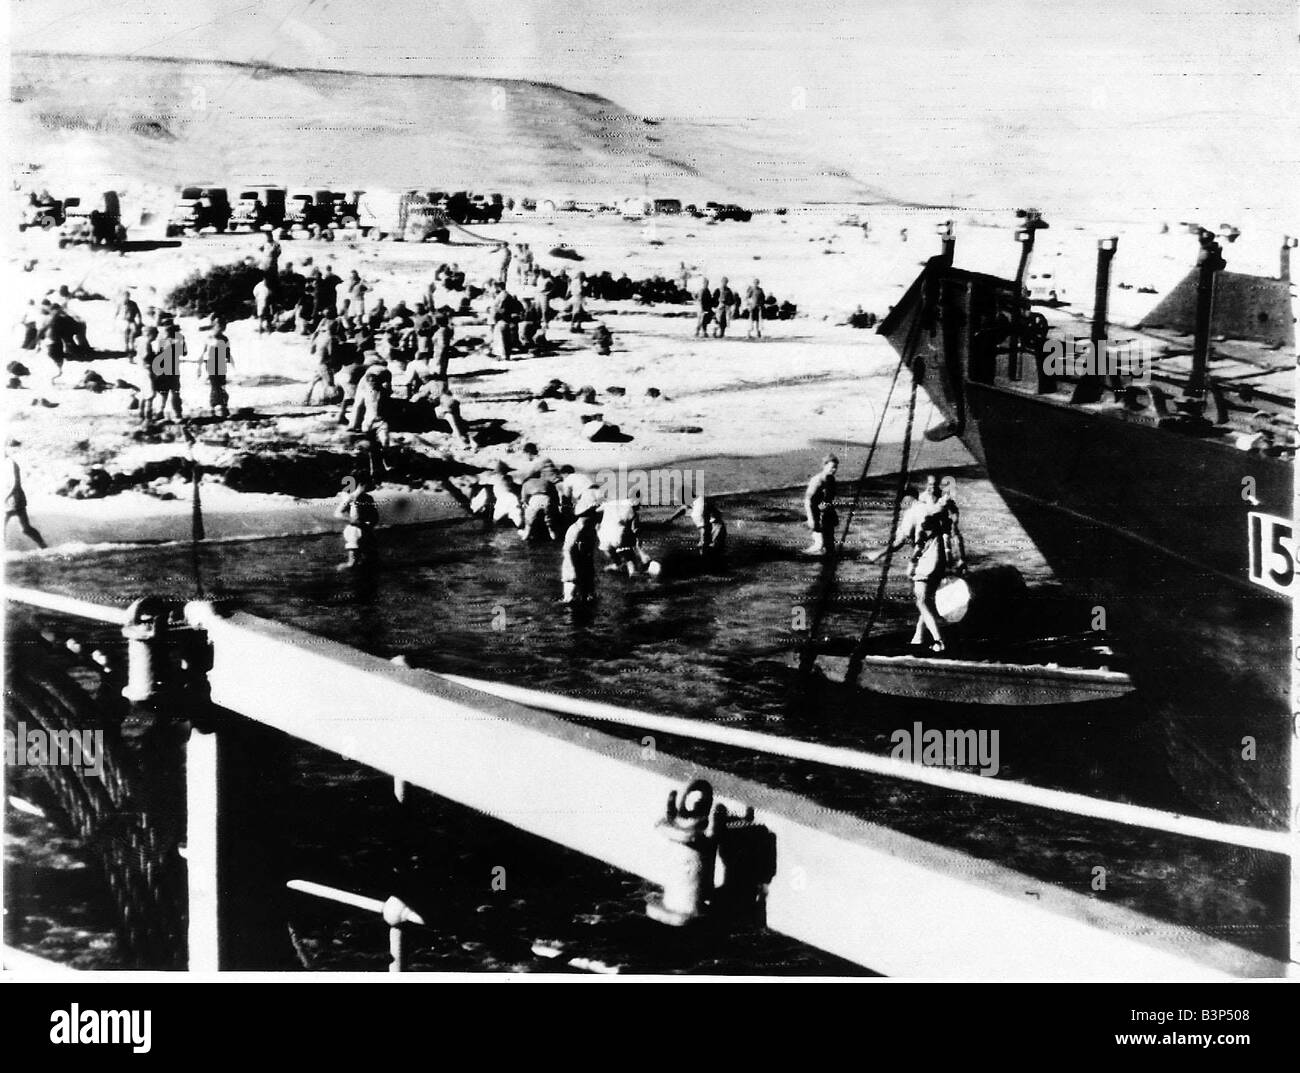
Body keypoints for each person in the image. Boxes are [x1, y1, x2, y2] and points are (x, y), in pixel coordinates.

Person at [868, 473, 966, 652]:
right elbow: (944, 520)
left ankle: (938, 641)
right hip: (939, 560)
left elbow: (898, 543)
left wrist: (878, 553)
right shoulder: (927, 507)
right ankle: (919, 636)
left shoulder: (911, 512)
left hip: (926, 562)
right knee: (926, 599)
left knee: (921, 602)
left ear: (906, 499)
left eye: (901, 502)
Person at [560, 492, 600, 604]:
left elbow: (590, 552)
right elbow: (567, 550)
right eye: (595, 513)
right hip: (571, 566)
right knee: (570, 600)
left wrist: (591, 571)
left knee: (589, 598)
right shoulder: (575, 529)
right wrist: (572, 570)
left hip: (584, 565)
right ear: (588, 514)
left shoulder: (590, 529)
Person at [598, 495, 653, 575]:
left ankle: (617, 565)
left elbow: (597, 511)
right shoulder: (631, 510)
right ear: (635, 500)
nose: (640, 506)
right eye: (639, 503)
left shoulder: (610, 503)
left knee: (617, 552)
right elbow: (634, 530)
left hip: (603, 540)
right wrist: (640, 551)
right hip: (618, 539)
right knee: (629, 553)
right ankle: (633, 571)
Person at [335, 475, 380, 569]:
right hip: (354, 532)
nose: (373, 486)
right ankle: (335, 572)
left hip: (366, 530)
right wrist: (352, 520)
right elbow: (338, 513)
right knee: (352, 563)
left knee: (372, 561)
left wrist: (371, 523)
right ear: (362, 484)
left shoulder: (369, 498)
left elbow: (375, 515)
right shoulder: (351, 497)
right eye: (370, 483)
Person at [4, 452, 47, 548]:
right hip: (8, 501)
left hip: (14, 500)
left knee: (25, 528)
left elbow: (13, 483)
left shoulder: (9, 463)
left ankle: (43, 545)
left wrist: (4, 497)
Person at [803, 454, 839, 556]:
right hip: (816, 514)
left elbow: (829, 499)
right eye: (832, 467)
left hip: (826, 515)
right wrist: (810, 518)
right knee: (819, 544)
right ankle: (802, 556)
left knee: (830, 546)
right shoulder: (817, 480)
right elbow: (807, 500)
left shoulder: (831, 480)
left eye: (836, 467)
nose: (834, 470)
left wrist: (832, 516)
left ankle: (829, 564)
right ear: (825, 466)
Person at [199, 320, 233, 419]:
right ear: (215, 326)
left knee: (221, 385)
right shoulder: (209, 338)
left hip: (221, 364)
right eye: (220, 326)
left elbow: (227, 352)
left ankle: (221, 405)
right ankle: (215, 406)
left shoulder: (224, 338)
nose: (222, 329)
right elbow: (204, 352)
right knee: (215, 385)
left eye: (224, 327)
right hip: (211, 364)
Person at [155, 321, 186, 421]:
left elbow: (157, 354)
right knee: (175, 392)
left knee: (164, 392)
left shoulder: (162, 339)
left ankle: (160, 411)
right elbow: (184, 353)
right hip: (173, 369)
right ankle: (177, 414)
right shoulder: (179, 339)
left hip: (163, 368)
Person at [519, 471, 561, 542]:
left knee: (528, 525)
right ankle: (554, 537)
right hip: (546, 499)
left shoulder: (526, 483)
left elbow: (523, 500)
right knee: (550, 526)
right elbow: (555, 496)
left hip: (534, 499)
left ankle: (526, 536)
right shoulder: (547, 481)